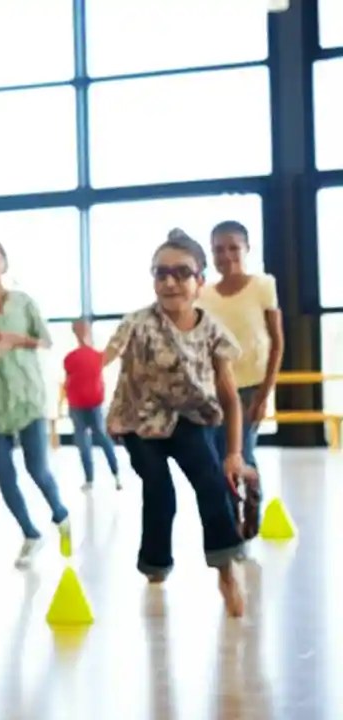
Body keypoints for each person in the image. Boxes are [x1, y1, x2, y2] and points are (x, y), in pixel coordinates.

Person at [102, 229, 248, 617]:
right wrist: (87, 370)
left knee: (211, 483)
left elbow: (230, 398)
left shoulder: (212, 330)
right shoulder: (137, 322)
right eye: (160, 273)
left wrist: (233, 453)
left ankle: (225, 567)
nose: (169, 282)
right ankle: (155, 564)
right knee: (159, 489)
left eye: (181, 273)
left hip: (191, 417)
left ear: (200, 281)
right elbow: (106, 354)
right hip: (139, 421)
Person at [0, 237, 72, 569]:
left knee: (37, 468)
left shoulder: (23, 303)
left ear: (4, 263)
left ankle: (61, 514)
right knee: (4, 475)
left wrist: (12, 340)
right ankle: (31, 533)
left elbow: (44, 340)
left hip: (28, 398)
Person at [197, 220, 282, 537]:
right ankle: (232, 519)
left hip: (250, 388)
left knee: (241, 453)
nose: (226, 254)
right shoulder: (204, 294)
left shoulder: (263, 286)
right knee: (221, 457)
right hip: (215, 388)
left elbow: (277, 341)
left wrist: (263, 395)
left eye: (233, 247)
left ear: (246, 249)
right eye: (219, 249)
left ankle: (250, 501)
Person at [63, 319, 121, 490]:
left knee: (101, 439)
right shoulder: (72, 358)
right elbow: (69, 380)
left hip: (93, 404)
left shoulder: (97, 356)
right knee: (84, 444)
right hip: (78, 405)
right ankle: (90, 479)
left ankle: (115, 475)